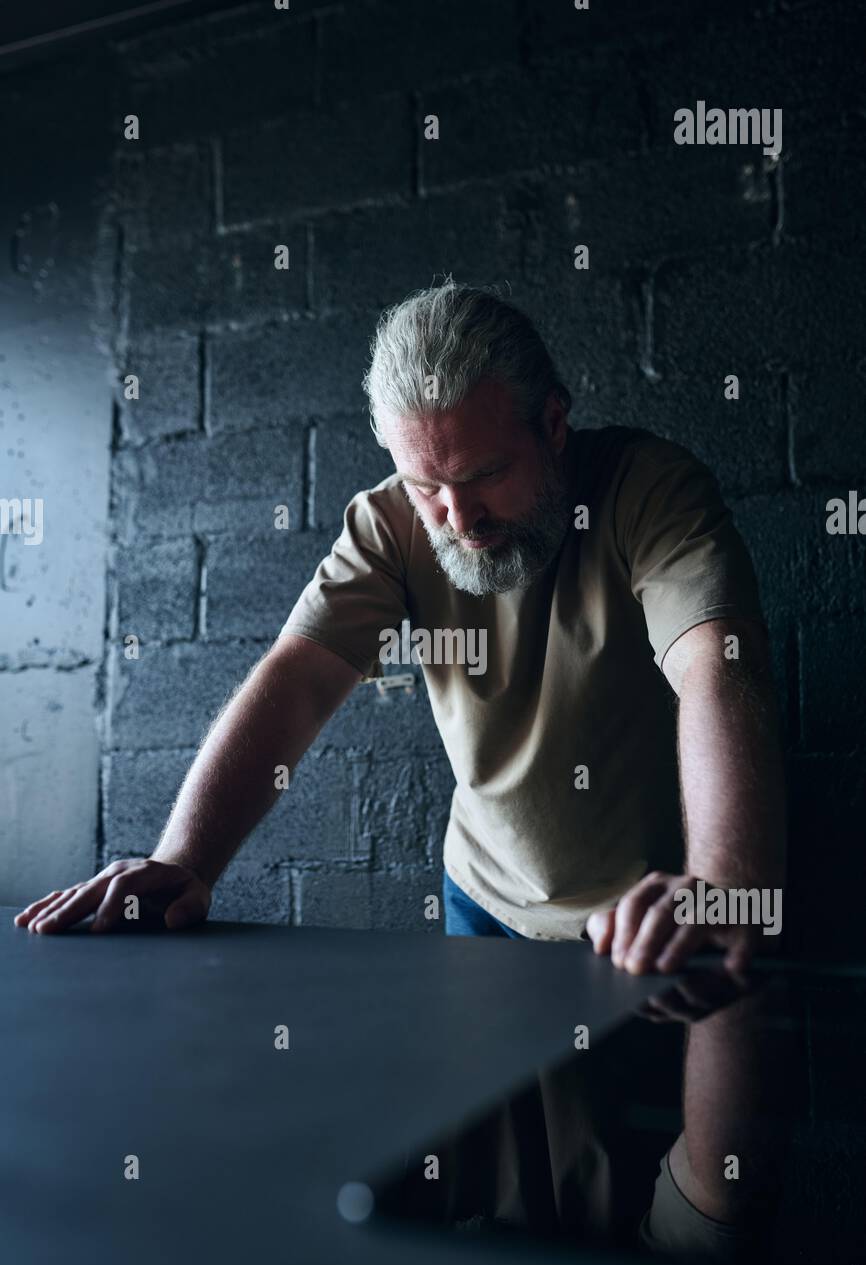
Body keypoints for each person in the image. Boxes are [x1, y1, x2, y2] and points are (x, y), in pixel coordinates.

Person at [15, 280, 786, 976]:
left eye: (485, 475)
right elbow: (301, 676)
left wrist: (724, 885)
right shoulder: (388, 521)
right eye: (428, 487)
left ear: (553, 424)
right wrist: (186, 861)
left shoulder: (651, 489)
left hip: (648, 917)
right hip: (481, 902)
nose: (460, 518)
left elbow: (716, 666)